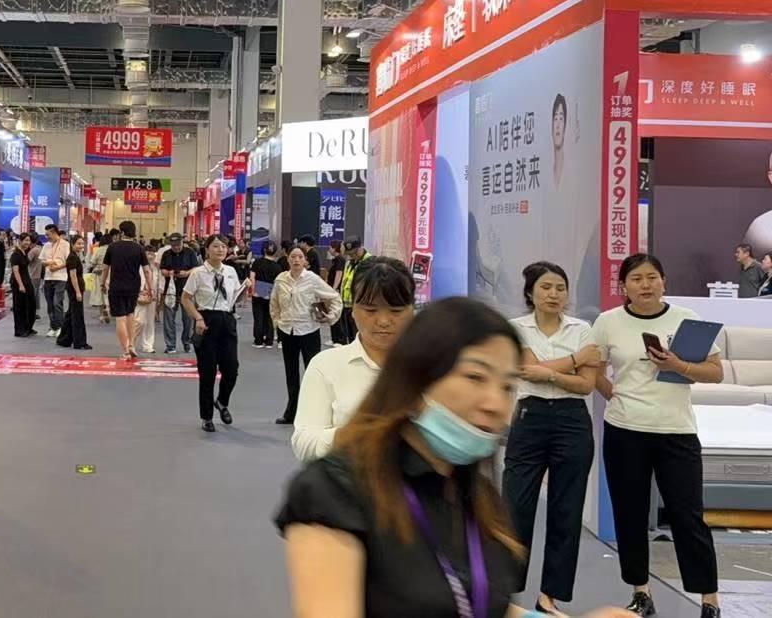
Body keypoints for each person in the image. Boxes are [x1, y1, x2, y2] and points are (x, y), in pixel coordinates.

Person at [276, 297, 634, 618]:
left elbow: (475, 602)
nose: (495, 403)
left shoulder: (475, 495)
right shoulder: (336, 491)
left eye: (507, 386)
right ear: (417, 379)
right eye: (475, 377)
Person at [594, 253, 723, 618]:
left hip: (676, 430)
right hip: (624, 431)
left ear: (664, 281)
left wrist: (677, 365)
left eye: (652, 277)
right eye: (636, 279)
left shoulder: (687, 319)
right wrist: (616, 395)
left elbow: (715, 372)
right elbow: (594, 369)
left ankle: (709, 599)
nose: (645, 285)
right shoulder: (608, 322)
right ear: (623, 286)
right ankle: (641, 593)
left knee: (688, 516)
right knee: (630, 515)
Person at [503, 262, 600, 616]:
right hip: (529, 418)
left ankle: (549, 599)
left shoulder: (582, 329)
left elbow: (586, 385)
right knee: (515, 507)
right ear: (530, 292)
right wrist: (574, 360)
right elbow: (526, 371)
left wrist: (550, 373)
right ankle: (506, 595)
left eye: (560, 287)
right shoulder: (516, 328)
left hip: (573, 422)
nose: (554, 294)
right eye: (546, 287)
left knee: (567, 511)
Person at [292, 258, 415, 462]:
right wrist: (357, 433)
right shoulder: (325, 366)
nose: (383, 321)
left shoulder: (433, 365)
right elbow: (304, 444)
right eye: (370, 310)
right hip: (349, 480)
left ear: (412, 310)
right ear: (353, 310)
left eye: (396, 311)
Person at [181, 234, 248, 433]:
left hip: (227, 320)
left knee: (232, 369)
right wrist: (197, 318)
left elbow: (234, 297)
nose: (220, 250)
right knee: (207, 373)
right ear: (207, 250)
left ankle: (222, 401)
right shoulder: (198, 273)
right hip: (206, 321)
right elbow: (185, 298)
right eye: (216, 246)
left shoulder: (231, 271)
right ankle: (207, 416)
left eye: (224, 247)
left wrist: (245, 290)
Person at [272, 246, 342, 426]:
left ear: (305, 261)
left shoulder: (313, 279)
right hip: (288, 331)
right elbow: (274, 303)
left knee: (313, 373)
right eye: (293, 256)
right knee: (291, 373)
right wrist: (277, 322)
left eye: (300, 257)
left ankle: (315, 413)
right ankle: (291, 411)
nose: (296, 260)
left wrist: (331, 316)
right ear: (287, 259)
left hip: (308, 331)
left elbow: (334, 297)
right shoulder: (281, 279)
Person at [103, 221, 155, 362]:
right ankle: (132, 345)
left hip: (116, 286)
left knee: (120, 318)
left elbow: (105, 268)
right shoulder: (139, 248)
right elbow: (147, 271)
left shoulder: (112, 247)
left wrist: (103, 283)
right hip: (133, 287)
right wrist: (151, 288)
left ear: (122, 232)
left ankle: (125, 351)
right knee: (131, 314)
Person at [159, 232, 200, 354]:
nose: (176, 247)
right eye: (173, 245)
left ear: (183, 242)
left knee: (188, 319)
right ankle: (170, 345)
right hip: (170, 291)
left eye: (178, 244)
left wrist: (186, 273)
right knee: (168, 319)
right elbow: (162, 269)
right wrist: (169, 273)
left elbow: (196, 268)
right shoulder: (166, 254)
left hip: (187, 291)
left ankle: (187, 341)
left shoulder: (190, 252)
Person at [57, 237, 92, 350]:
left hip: (77, 288)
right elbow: (73, 276)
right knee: (77, 316)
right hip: (74, 289)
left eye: (82, 244)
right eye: (78, 244)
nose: (81, 246)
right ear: (72, 244)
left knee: (70, 314)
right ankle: (80, 342)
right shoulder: (72, 257)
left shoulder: (75, 256)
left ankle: (64, 340)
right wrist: (77, 292)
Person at [339, 237, 373, 344]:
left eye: (354, 252)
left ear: (361, 247)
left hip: (361, 307)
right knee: (351, 339)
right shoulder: (350, 262)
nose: (352, 255)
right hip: (347, 307)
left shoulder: (370, 262)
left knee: (361, 339)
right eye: (349, 254)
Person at [40, 224, 71, 339]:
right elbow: (41, 261)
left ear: (54, 233)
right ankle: (53, 327)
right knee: (50, 304)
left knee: (57, 303)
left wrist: (57, 267)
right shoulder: (46, 245)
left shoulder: (65, 244)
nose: (46, 237)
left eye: (48, 234)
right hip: (48, 278)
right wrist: (48, 263)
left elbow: (68, 261)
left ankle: (61, 327)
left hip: (61, 278)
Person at [250, 241, 282, 348]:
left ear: (264, 250)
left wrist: (252, 291)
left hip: (258, 291)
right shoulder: (278, 266)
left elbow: (252, 278)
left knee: (258, 316)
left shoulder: (257, 262)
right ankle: (269, 341)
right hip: (271, 292)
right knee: (270, 317)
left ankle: (258, 341)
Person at [9, 234, 37, 337]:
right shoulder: (15, 255)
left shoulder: (24, 252)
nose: (27, 243)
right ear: (20, 241)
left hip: (27, 281)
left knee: (30, 305)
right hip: (18, 283)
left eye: (29, 241)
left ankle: (28, 327)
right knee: (20, 307)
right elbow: (16, 271)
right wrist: (20, 285)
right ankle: (20, 330)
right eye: (25, 240)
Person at [133, 244, 159, 355]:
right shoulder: (138, 267)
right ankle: (131, 343)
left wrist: (157, 296)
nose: (150, 256)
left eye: (152, 254)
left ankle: (148, 345)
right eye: (148, 254)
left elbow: (158, 283)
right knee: (139, 321)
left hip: (152, 297)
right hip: (140, 296)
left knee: (150, 322)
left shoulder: (156, 268)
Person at [325, 241, 348, 345]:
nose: (329, 250)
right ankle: (334, 338)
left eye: (330, 247)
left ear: (334, 248)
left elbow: (339, 274)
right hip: (333, 290)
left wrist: (334, 289)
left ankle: (340, 339)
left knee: (337, 315)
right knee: (333, 314)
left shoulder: (340, 260)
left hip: (336, 291)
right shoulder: (336, 260)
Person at [87, 232, 111, 324]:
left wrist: (92, 268)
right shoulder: (112, 249)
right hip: (110, 273)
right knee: (108, 293)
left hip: (99, 274)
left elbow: (92, 262)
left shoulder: (99, 250)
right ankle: (108, 309)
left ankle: (101, 315)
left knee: (100, 294)